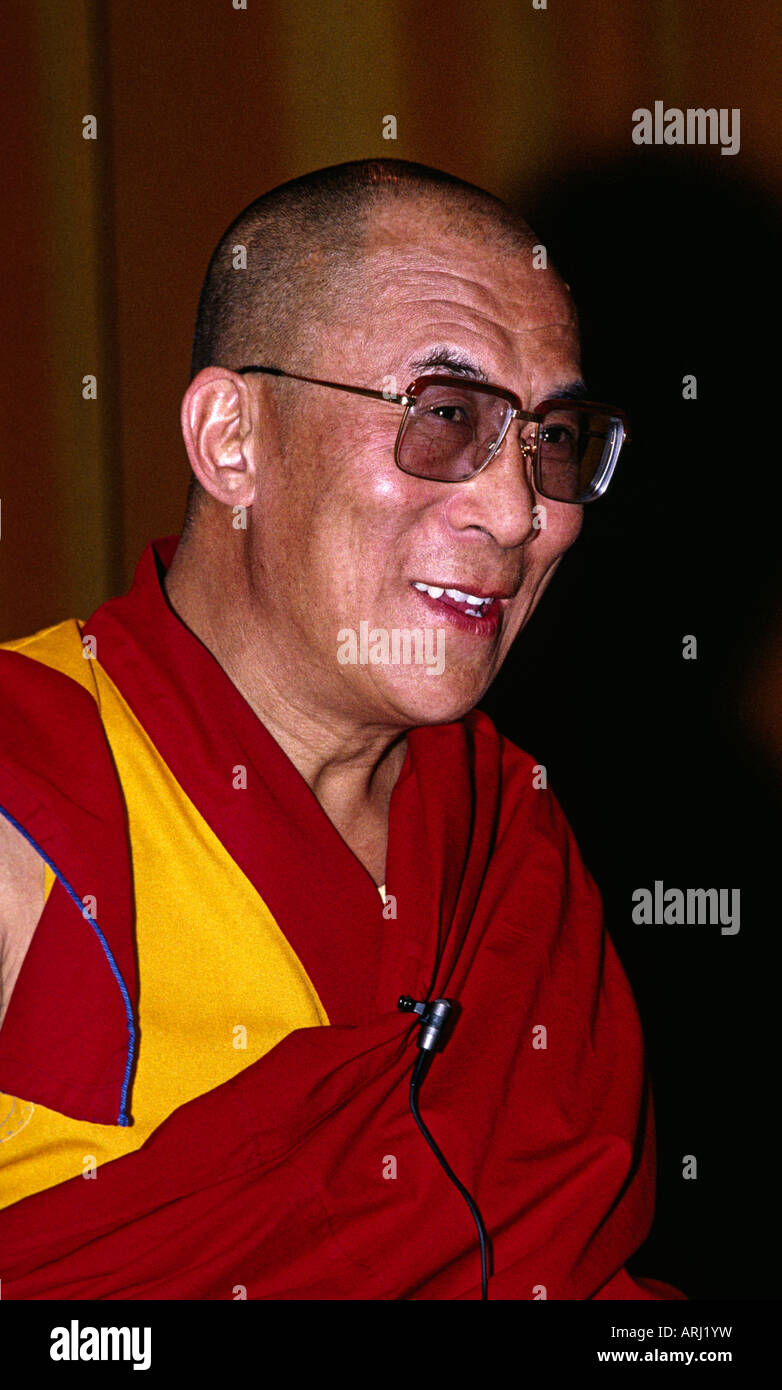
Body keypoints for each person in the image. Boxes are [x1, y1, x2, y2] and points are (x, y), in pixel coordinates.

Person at [0, 159, 682, 1300]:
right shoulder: (32, 801)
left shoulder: (508, 835)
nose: (521, 513)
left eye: (551, 438)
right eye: (446, 415)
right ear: (232, 442)